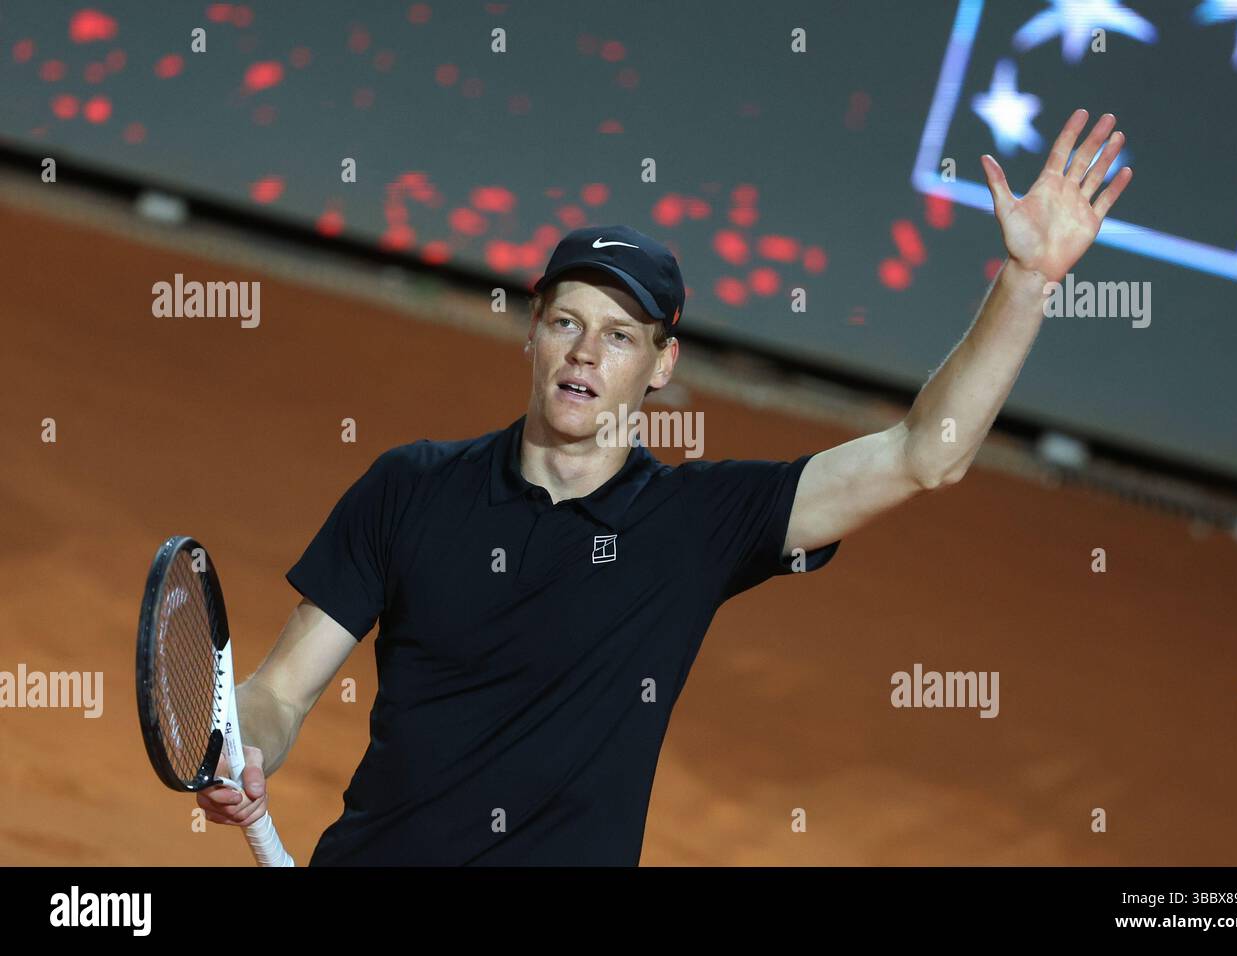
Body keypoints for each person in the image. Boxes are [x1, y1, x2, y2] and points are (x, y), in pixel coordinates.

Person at [197, 109, 1132, 865]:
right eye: (567, 322)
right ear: (533, 332)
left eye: (619, 335)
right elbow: (281, 690)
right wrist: (252, 747)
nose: (584, 354)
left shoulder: (698, 524)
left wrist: (1025, 279)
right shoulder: (410, 488)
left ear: (660, 364)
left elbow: (929, 452)